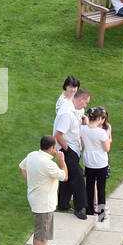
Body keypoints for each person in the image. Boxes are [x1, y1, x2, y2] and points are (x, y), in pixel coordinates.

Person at [20, 135, 67, 245]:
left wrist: (30, 183)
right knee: (40, 231)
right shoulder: (48, 164)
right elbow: (64, 177)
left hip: (40, 199)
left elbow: (22, 168)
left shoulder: (32, 155)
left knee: (46, 227)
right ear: (52, 148)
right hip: (43, 202)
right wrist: (62, 161)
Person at [53, 86, 90, 218]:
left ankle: (63, 203)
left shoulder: (77, 109)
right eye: (86, 102)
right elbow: (58, 134)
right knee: (78, 176)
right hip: (67, 148)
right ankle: (80, 207)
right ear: (80, 100)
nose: (86, 105)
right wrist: (68, 151)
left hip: (74, 147)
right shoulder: (67, 113)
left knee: (67, 176)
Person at [78, 106, 111, 221]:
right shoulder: (101, 133)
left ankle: (89, 211)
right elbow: (107, 148)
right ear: (100, 119)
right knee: (101, 188)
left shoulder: (82, 129)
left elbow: (82, 144)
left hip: (89, 161)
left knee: (90, 186)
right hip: (101, 162)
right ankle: (102, 214)